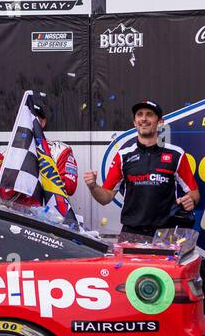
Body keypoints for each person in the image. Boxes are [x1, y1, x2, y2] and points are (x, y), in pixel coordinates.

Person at [84, 100, 198, 237]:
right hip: (131, 233)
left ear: (160, 122)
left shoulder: (176, 154)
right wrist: (93, 186)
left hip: (165, 233)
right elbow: (105, 198)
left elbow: (194, 193)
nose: (143, 119)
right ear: (134, 122)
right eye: (139, 115)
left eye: (149, 114)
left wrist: (190, 199)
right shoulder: (123, 156)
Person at [0, 98, 79, 220]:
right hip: (16, 218)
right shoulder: (7, 154)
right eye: (25, 119)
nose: (29, 122)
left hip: (52, 219)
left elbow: (69, 187)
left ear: (43, 122)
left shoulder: (61, 150)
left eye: (34, 118)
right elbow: (3, 192)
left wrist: (36, 178)